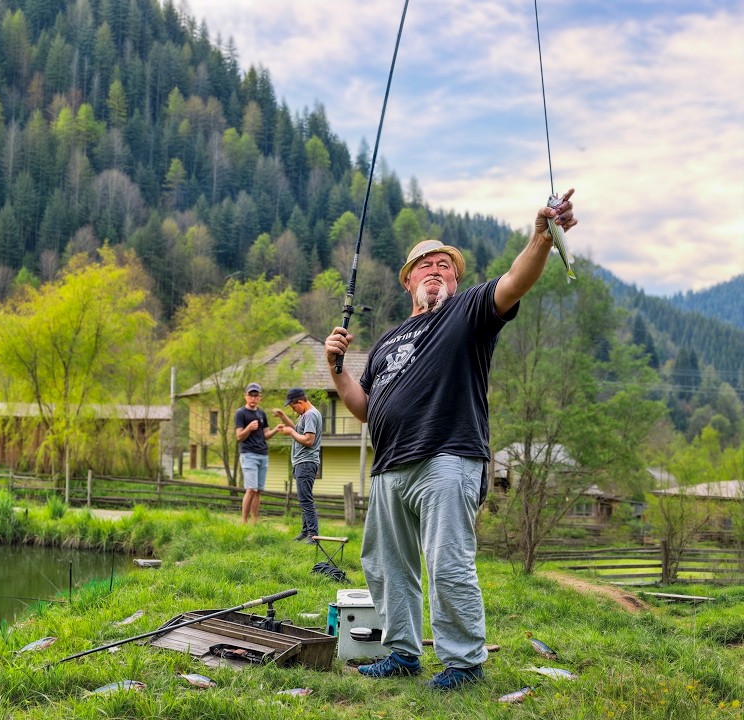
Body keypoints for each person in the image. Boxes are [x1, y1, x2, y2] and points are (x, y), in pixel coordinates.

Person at [323, 191, 578, 691]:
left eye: (445, 266)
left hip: (448, 456)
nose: (436, 270)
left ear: (456, 281)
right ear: (408, 281)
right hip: (389, 467)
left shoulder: (468, 312)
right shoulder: (387, 342)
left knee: (447, 563)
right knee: (386, 566)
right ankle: (402, 653)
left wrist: (541, 239)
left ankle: (463, 663)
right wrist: (337, 370)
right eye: (426, 265)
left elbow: (515, 281)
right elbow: (366, 407)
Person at [272, 388, 322, 543]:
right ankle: (305, 532)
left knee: (305, 499)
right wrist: (283, 417)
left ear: (300, 402)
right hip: (302, 462)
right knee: (303, 498)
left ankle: (313, 535)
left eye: (293, 407)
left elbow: (308, 440)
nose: (293, 410)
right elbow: (297, 430)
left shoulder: (310, 415)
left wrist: (290, 433)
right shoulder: (305, 415)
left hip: (306, 462)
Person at [235, 382, 279, 523]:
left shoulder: (261, 414)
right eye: (250, 395)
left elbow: (265, 435)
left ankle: (254, 521)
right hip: (249, 454)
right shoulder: (241, 413)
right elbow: (239, 437)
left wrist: (276, 430)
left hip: (263, 454)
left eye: (256, 395)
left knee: (258, 490)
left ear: (260, 397)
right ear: (245, 396)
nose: (253, 398)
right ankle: (244, 522)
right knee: (251, 489)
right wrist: (248, 428)